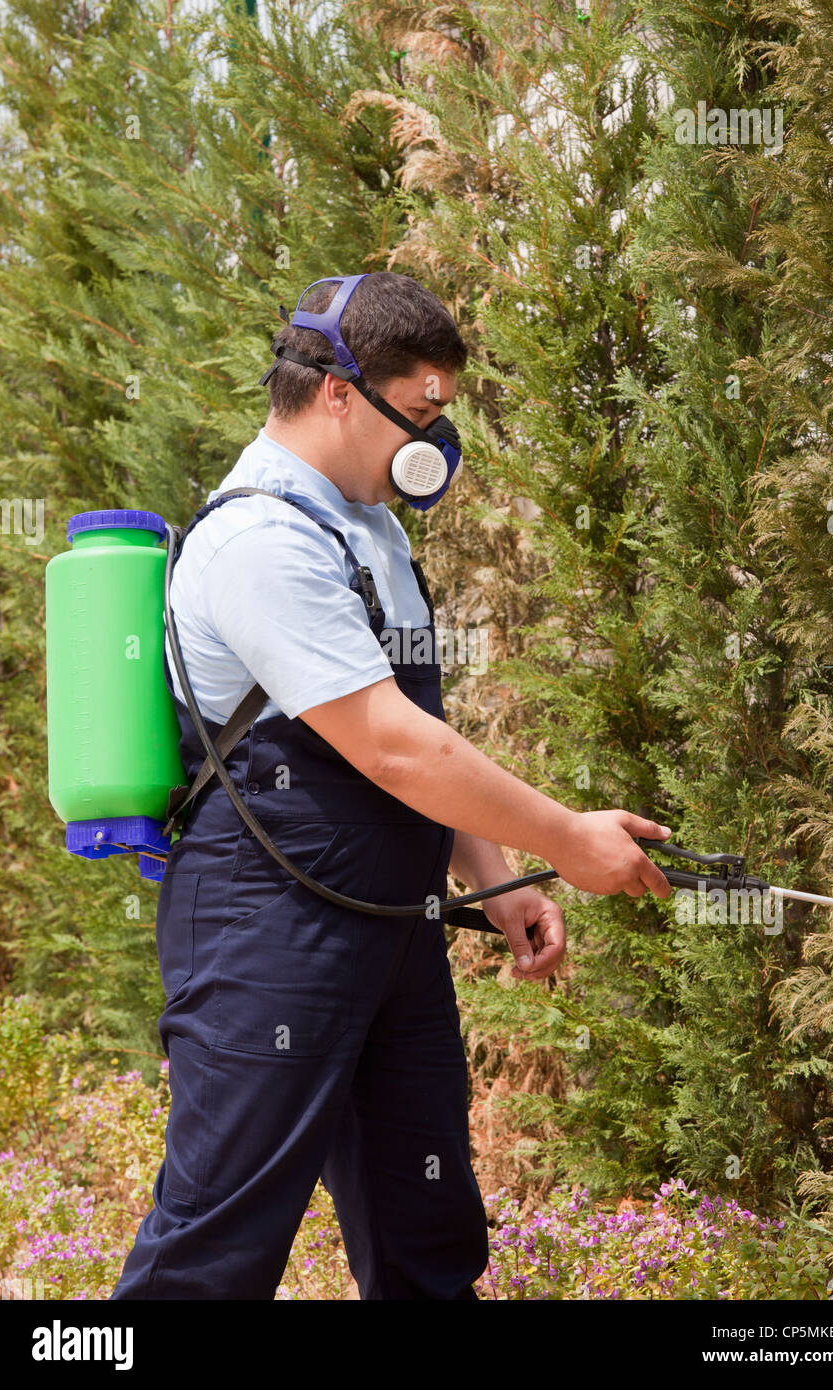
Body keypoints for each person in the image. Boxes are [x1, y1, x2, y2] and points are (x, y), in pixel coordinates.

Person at [111, 270, 671, 1301]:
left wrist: (498, 880)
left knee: (428, 1228)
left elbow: (422, 730)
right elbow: (385, 745)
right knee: (216, 1246)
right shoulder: (257, 540)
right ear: (336, 391)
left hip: (387, 927)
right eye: (419, 414)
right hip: (263, 932)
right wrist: (570, 838)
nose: (432, 449)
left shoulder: (369, 529)